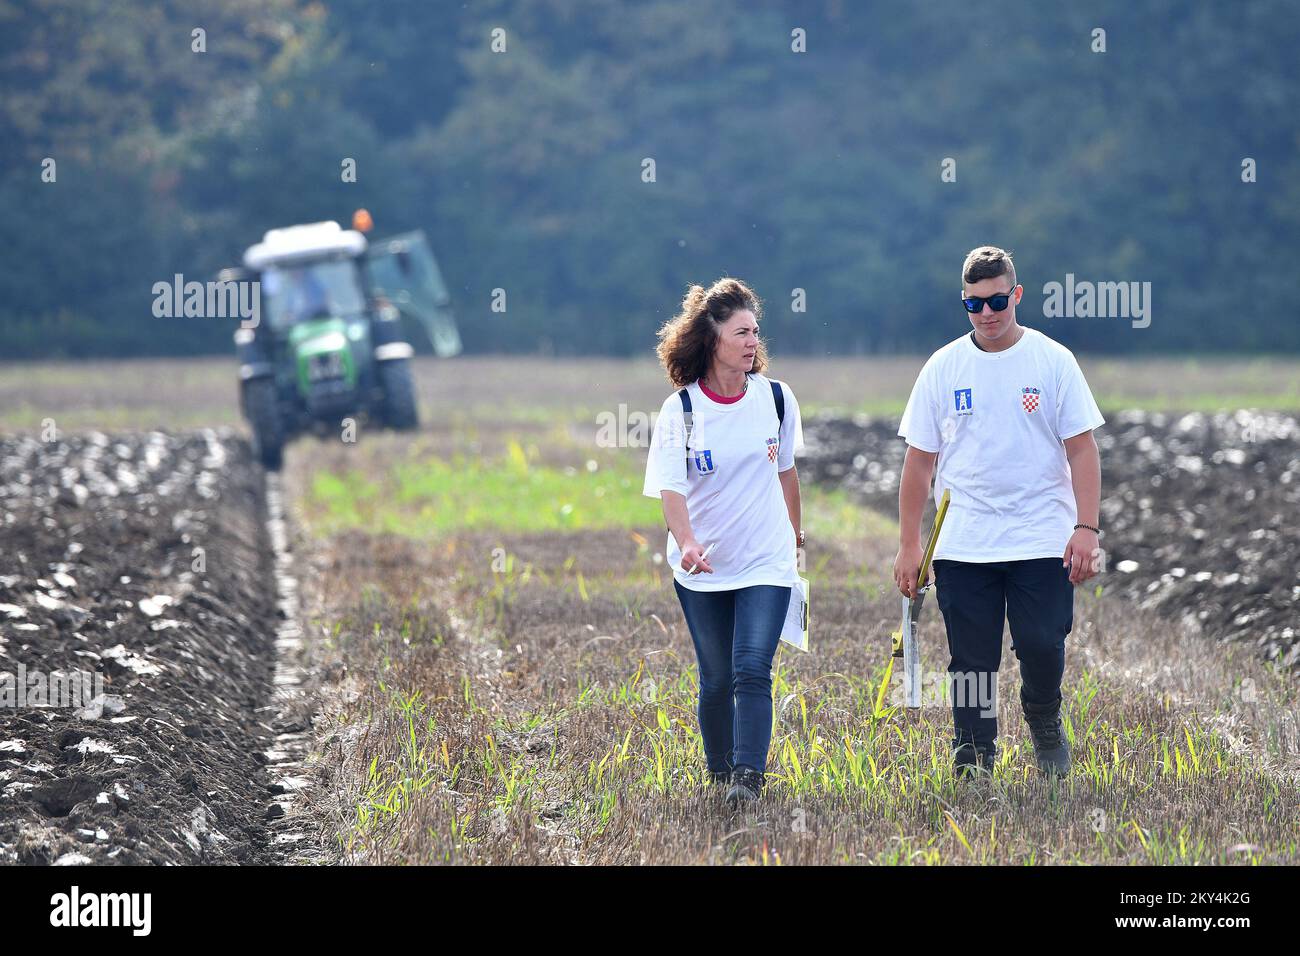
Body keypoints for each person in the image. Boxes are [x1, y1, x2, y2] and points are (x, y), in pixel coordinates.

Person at [893, 246, 1104, 778]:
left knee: (1040, 642)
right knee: (971, 661)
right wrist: (909, 544)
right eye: (973, 304)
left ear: (1017, 295)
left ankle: (1044, 722)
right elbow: (918, 464)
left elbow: (1082, 450)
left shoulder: (1054, 361)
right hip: (964, 541)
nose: (986, 314)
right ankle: (974, 755)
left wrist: (1086, 528)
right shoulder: (942, 367)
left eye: (996, 301)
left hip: (1041, 536)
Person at [642, 278, 805, 804]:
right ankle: (719, 774)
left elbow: (786, 474)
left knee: (752, 668)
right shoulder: (681, 411)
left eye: (755, 331)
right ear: (712, 340)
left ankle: (748, 779)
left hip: (766, 561)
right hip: (703, 566)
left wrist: (794, 539)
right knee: (715, 679)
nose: (752, 341)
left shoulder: (777, 399)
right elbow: (671, 489)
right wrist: (686, 542)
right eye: (741, 333)